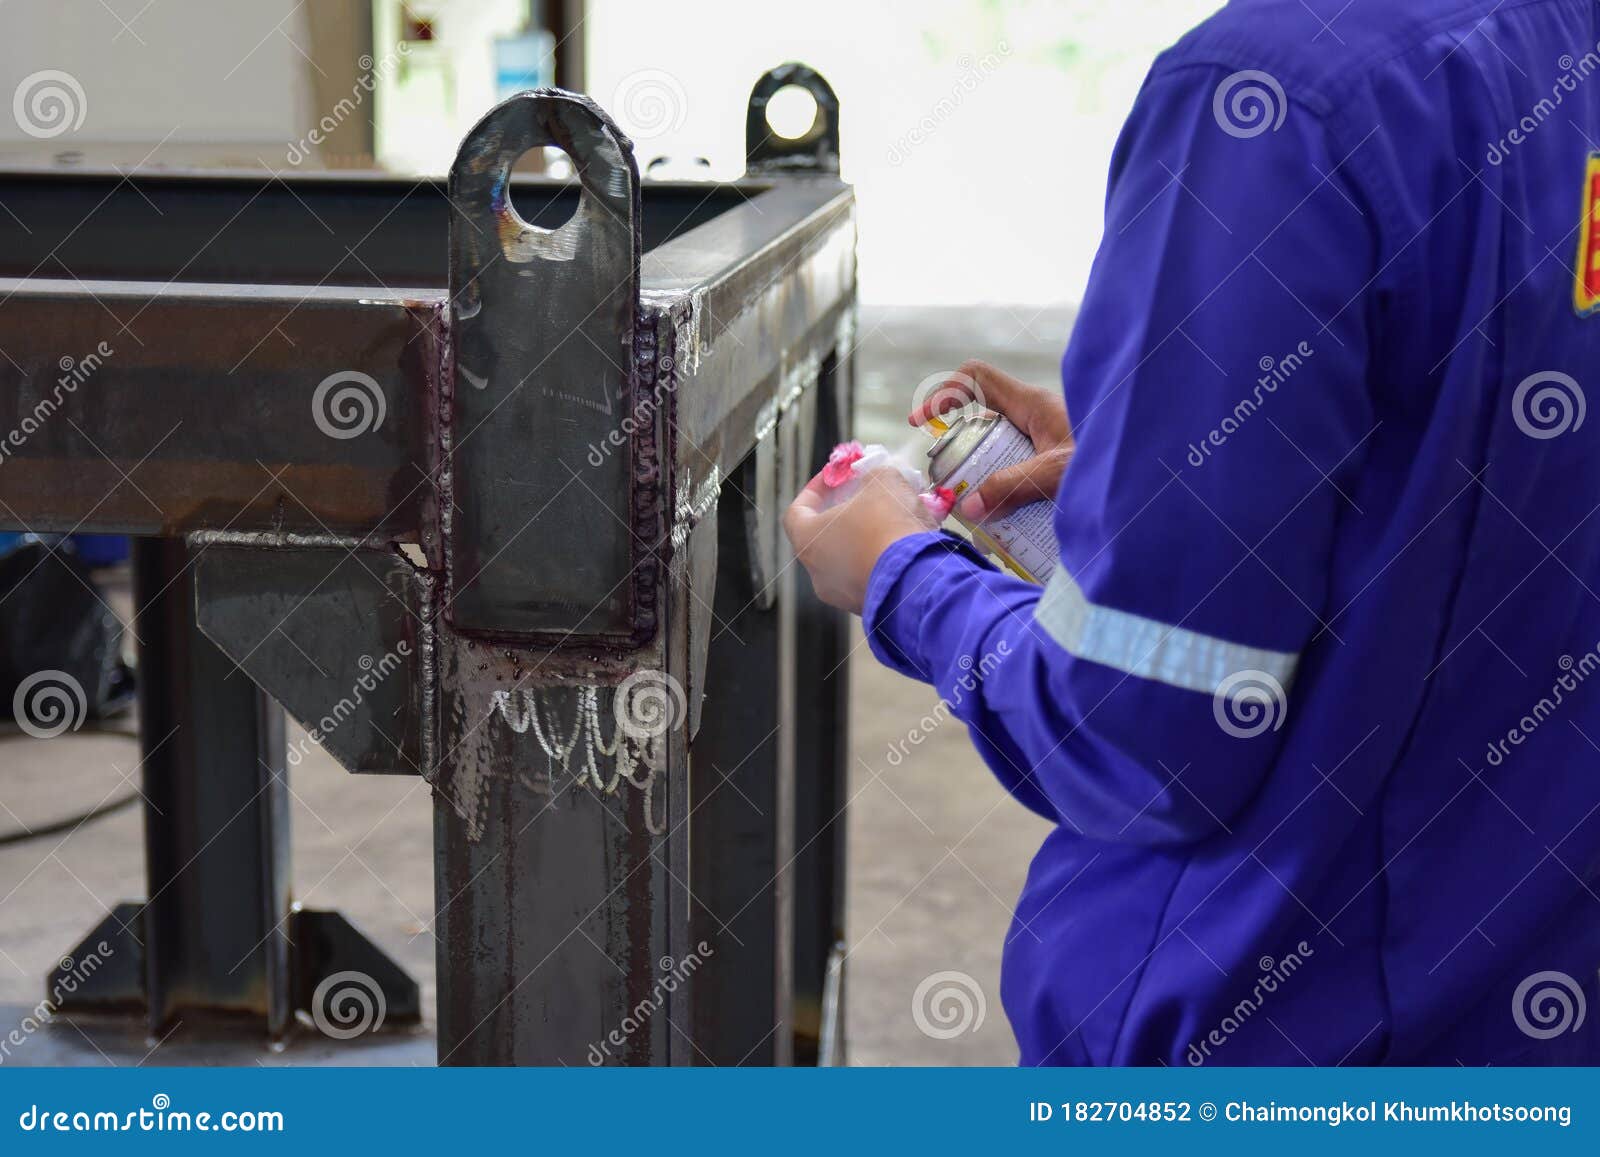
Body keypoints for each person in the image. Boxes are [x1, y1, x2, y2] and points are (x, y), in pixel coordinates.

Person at [785, 0, 1600, 1065]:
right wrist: (1160, 467)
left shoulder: (1271, 98)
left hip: (1287, 1027)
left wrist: (903, 575)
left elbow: (1144, 730)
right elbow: (1492, 473)